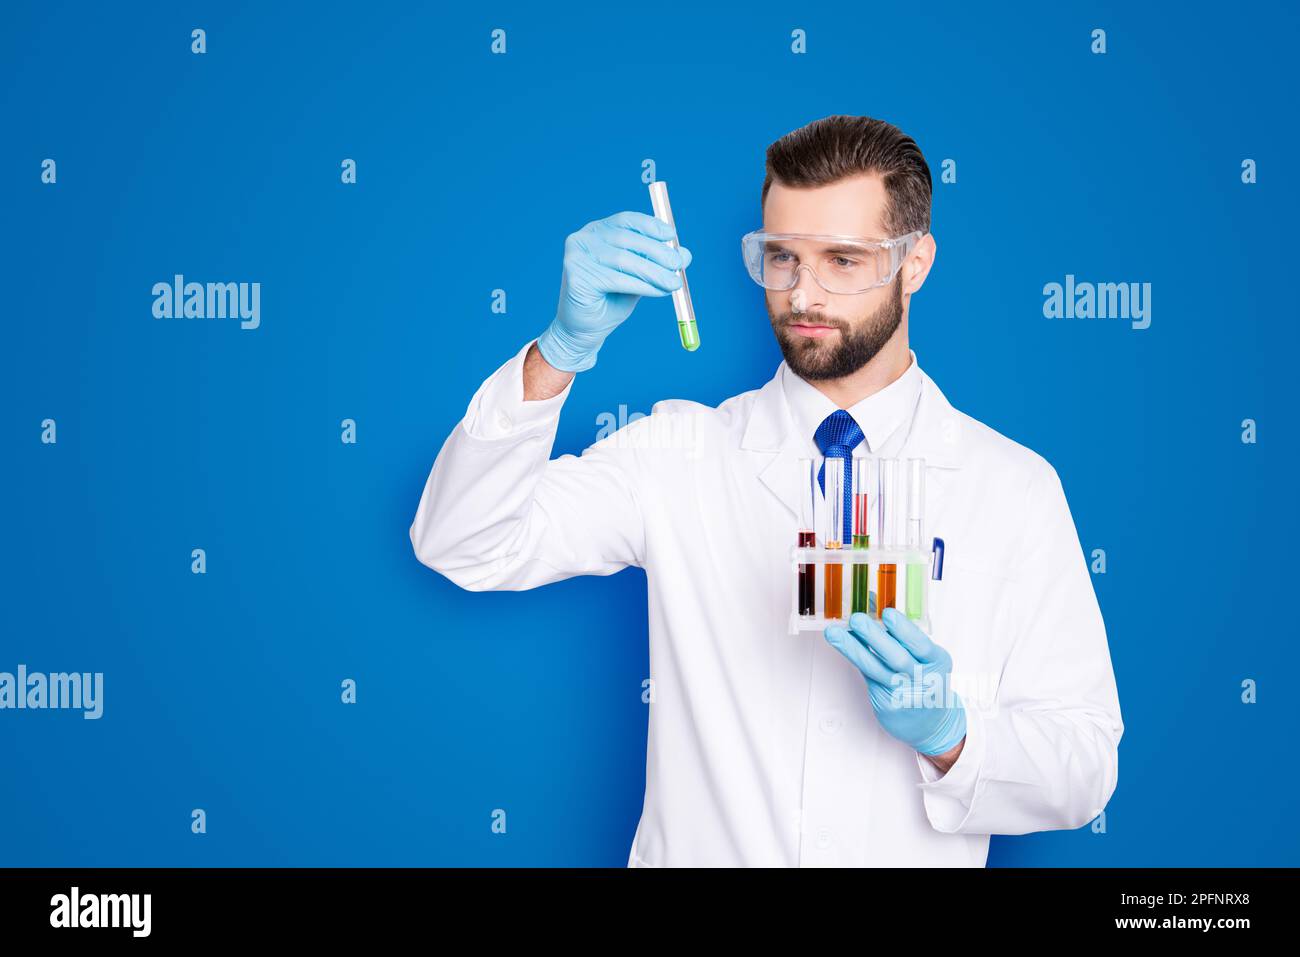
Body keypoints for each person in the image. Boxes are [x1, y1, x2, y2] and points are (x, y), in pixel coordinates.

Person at [410, 114, 1123, 867]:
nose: (802, 293)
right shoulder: (678, 452)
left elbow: (1084, 768)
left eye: (843, 261)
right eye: (780, 257)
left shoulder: (1010, 488)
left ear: (915, 263)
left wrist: (954, 737)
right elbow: (464, 542)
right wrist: (559, 352)